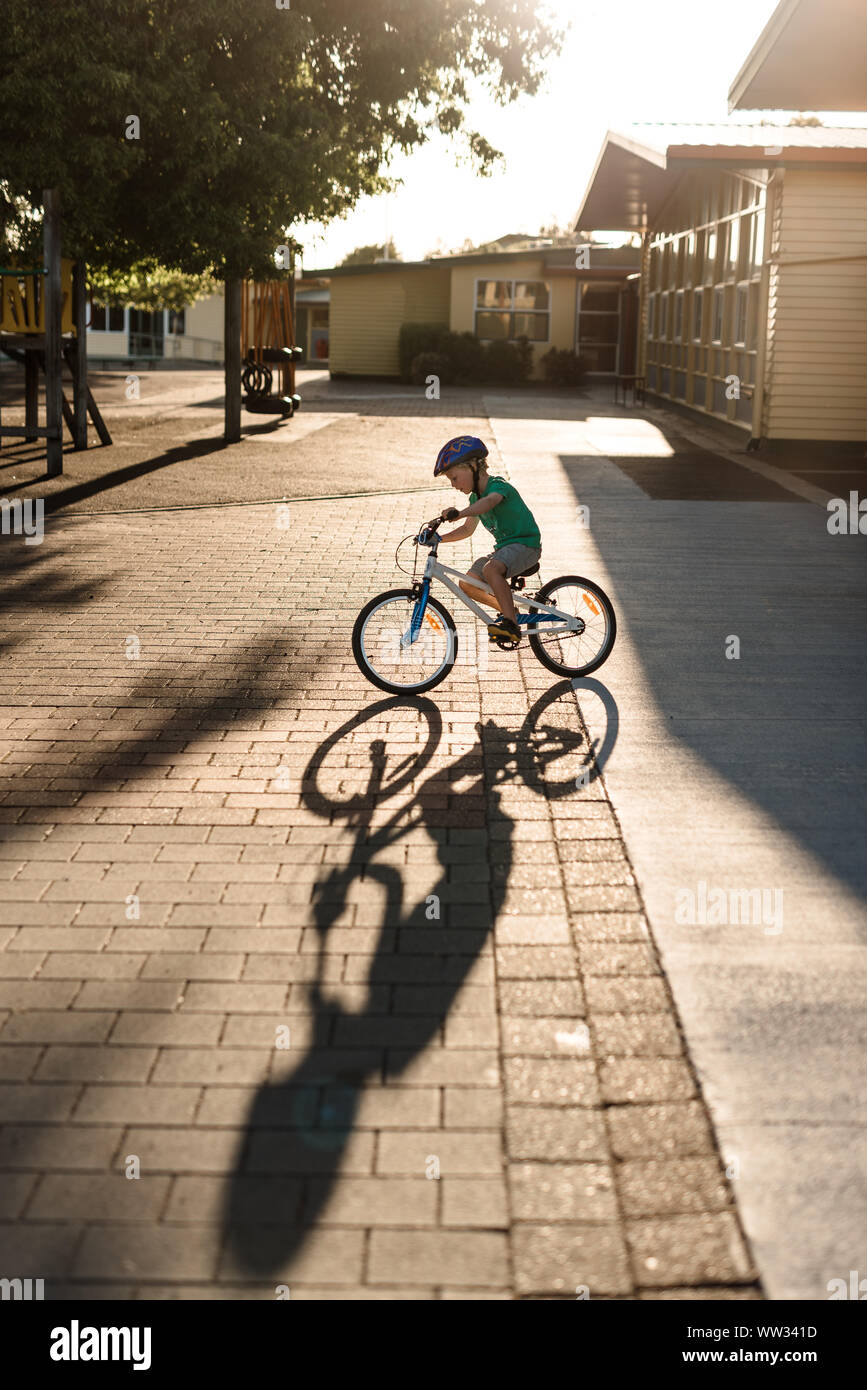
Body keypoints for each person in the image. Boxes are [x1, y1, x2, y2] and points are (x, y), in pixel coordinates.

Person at [432, 435, 541, 645]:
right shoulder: (474, 498)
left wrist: (460, 512)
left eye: (454, 478)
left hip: (527, 545)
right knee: (468, 583)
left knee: (491, 569)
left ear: (473, 466)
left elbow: (489, 503)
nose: (453, 485)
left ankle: (511, 625)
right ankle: (509, 611)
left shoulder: (498, 487)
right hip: (504, 550)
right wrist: (438, 539)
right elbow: (466, 530)